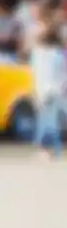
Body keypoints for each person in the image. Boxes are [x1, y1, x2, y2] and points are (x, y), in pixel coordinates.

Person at [30, 27, 67, 160]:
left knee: (45, 122)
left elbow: (37, 74)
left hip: (43, 90)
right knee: (53, 121)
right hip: (56, 90)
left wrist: (35, 92)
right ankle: (53, 149)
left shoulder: (39, 54)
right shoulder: (60, 54)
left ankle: (48, 149)